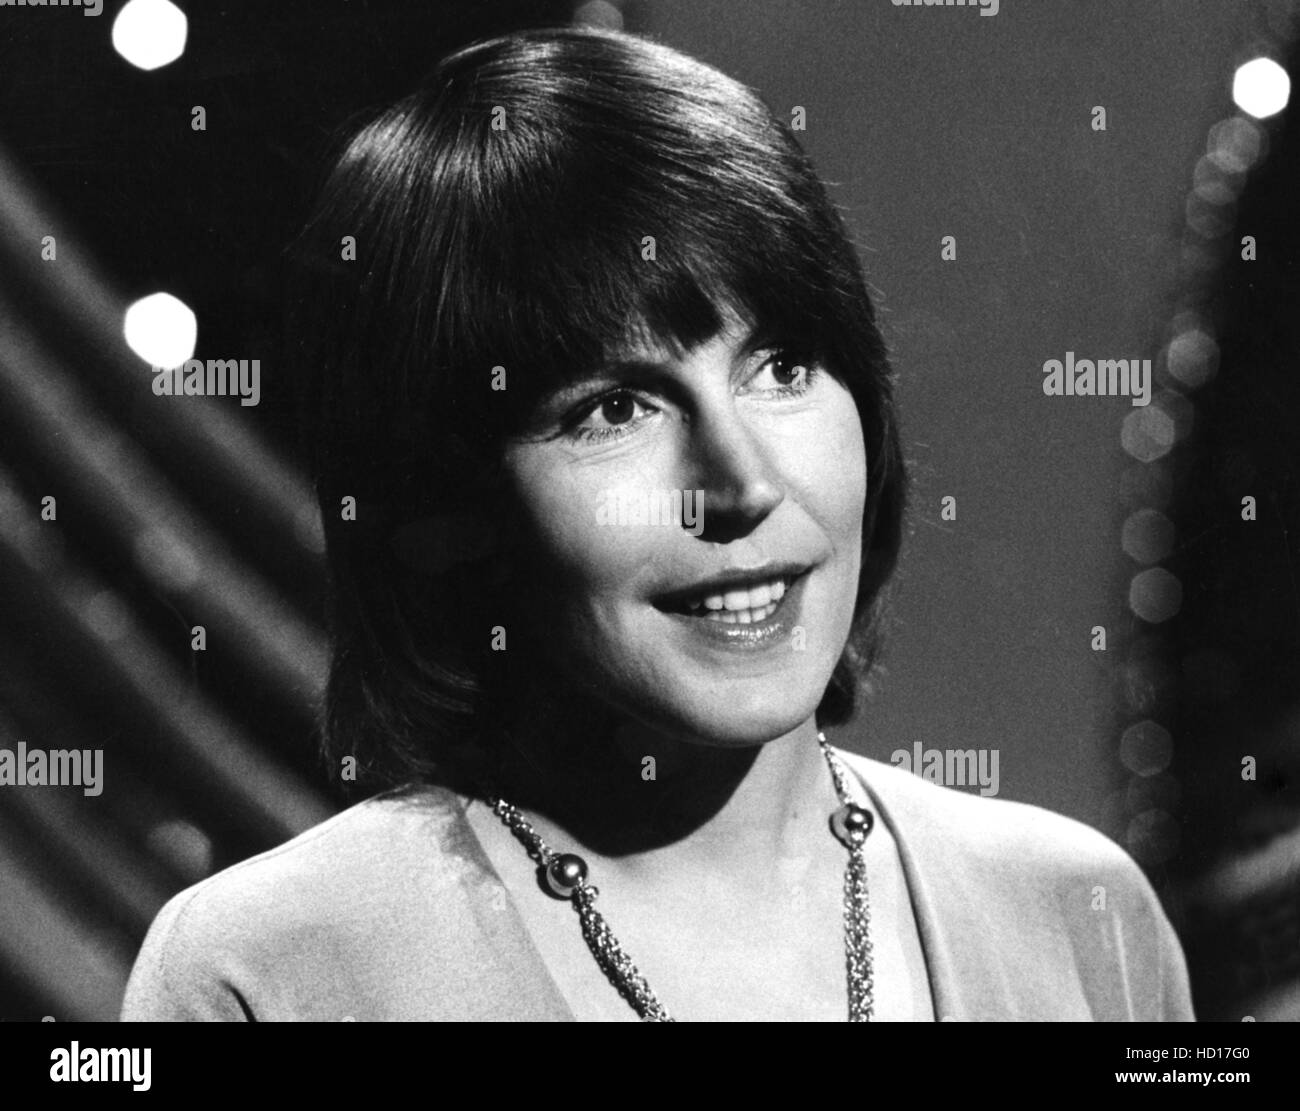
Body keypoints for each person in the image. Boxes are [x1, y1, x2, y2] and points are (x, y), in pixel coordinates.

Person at [121, 24, 1194, 1022]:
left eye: (780, 366)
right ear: (449, 501)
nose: (741, 485)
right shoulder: (267, 972)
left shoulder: (1079, 915)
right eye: (613, 409)